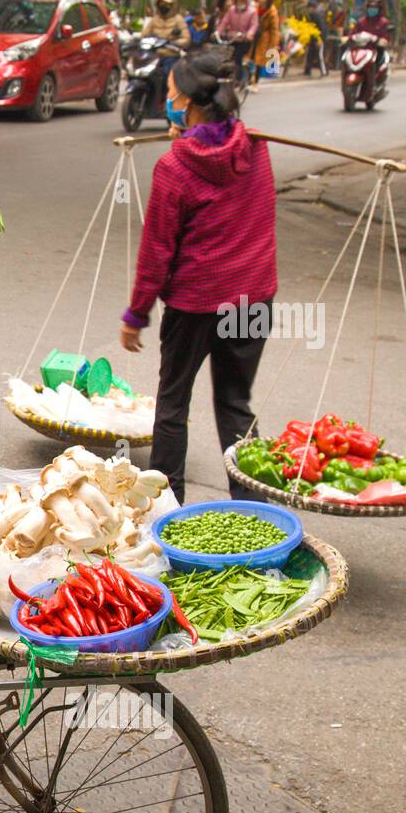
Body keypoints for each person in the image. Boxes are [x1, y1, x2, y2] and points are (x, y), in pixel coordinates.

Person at [119, 52, 277, 503]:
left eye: (170, 95)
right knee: (235, 404)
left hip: (196, 304)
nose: (166, 102)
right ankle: (255, 512)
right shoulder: (255, 146)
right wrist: (188, 137)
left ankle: (166, 507)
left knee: (172, 405)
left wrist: (137, 313)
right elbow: (222, 152)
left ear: (187, 104)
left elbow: (157, 252)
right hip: (253, 300)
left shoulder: (175, 168)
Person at [349, 0, 391, 100]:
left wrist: (383, 40)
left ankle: (372, 88)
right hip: (360, 49)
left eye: (375, 8)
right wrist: (348, 37)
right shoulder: (361, 21)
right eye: (370, 7)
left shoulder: (383, 22)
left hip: (375, 50)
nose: (372, 10)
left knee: (374, 65)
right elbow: (353, 33)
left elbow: (386, 37)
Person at [216, 0, 259, 81]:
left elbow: (254, 25)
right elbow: (224, 22)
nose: (240, 2)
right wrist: (217, 32)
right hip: (232, 39)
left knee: (237, 59)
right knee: (226, 57)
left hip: (244, 40)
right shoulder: (231, 10)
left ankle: (238, 80)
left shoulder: (252, 12)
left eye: (242, 0)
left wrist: (250, 34)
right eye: (239, 0)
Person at [250, 0, 281, 88]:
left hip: (263, 39)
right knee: (249, 58)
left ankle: (255, 82)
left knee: (259, 61)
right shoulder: (255, 7)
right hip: (253, 36)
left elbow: (274, 30)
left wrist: (273, 45)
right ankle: (248, 79)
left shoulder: (272, 11)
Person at [304, 0, 329, 76]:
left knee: (320, 56)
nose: (309, 9)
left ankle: (324, 71)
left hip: (319, 39)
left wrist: (320, 40)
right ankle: (307, 71)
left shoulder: (317, 16)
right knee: (310, 55)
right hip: (312, 39)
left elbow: (322, 29)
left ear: (313, 8)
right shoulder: (309, 16)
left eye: (310, 7)